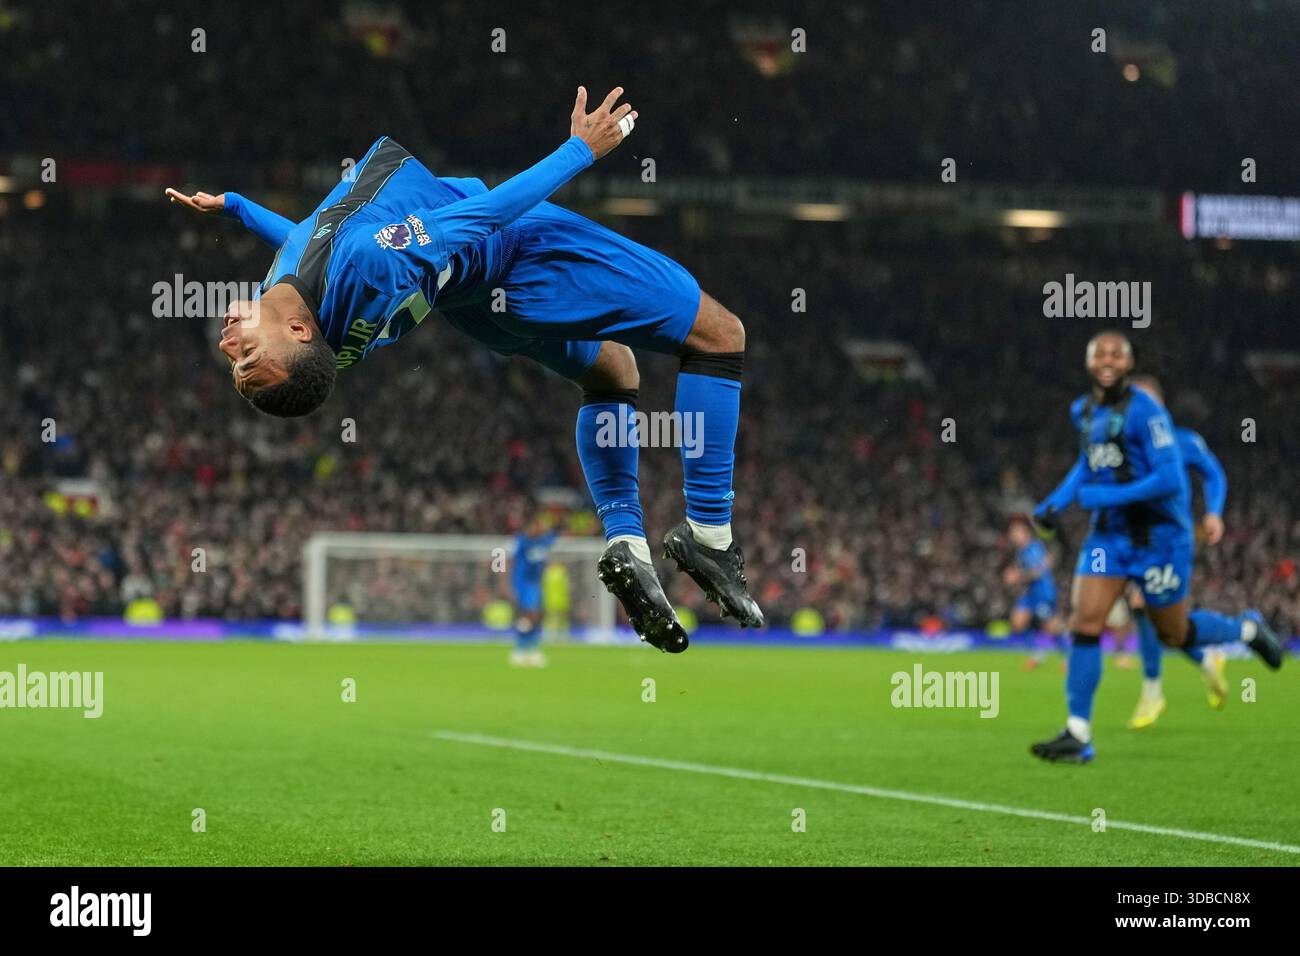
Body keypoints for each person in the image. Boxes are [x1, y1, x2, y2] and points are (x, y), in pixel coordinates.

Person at [167, 87, 763, 654]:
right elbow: (485, 214)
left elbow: (304, 240)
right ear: (298, 333)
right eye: (248, 355)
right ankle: (709, 536)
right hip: (519, 256)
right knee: (719, 335)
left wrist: (240, 210)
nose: (227, 345)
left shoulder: (295, 301)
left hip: (479, 311)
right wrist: (582, 149)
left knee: (610, 371)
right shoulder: (374, 260)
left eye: (236, 362)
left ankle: (627, 541)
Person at [1029, 332, 1282, 763]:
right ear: (1088, 362)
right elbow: (1087, 463)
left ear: (1128, 365)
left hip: (1162, 539)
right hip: (1110, 535)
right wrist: (1054, 502)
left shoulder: (1160, 423)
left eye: (1117, 354)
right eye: (1099, 354)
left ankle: (1246, 630)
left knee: (1175, 633)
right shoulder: (1084, 411)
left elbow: (1178, 479)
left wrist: (1213, 512)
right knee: (1085, 622)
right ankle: (1078, 731)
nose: (1107, 361)